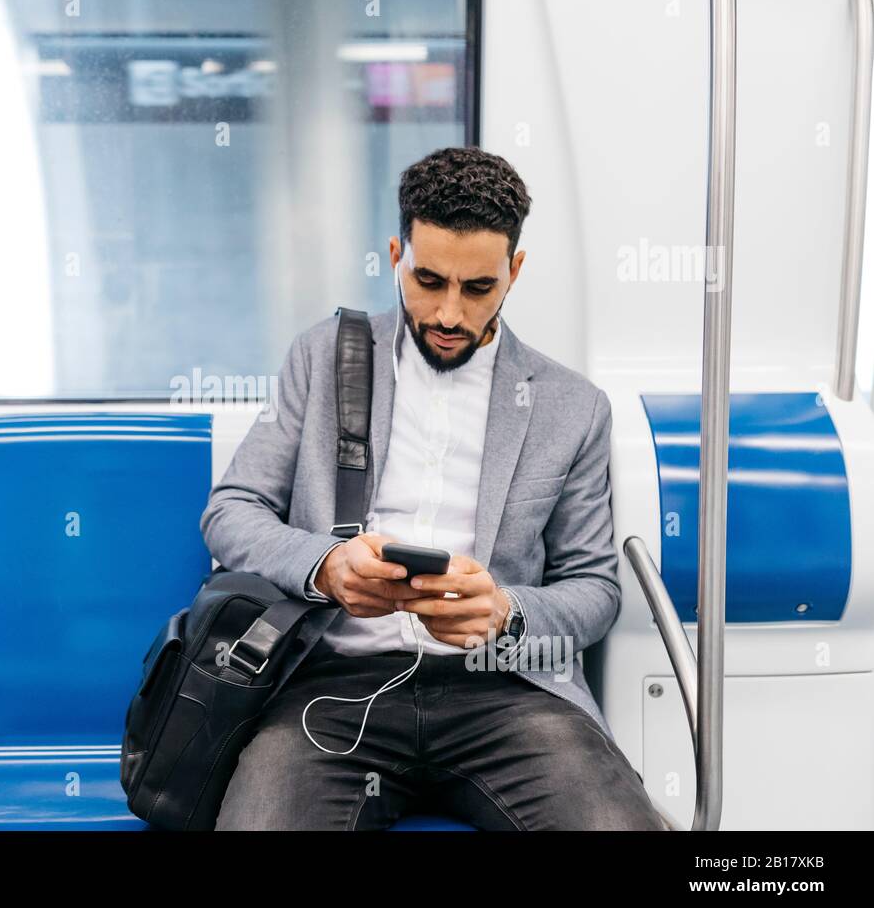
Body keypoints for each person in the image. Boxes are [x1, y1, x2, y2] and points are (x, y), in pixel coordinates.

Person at [202, 146, 666, 830]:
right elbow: (231, 513)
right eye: (427, 280)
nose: (449, 314)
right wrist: (325, 568)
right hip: (331, 689)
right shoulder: (325, 357)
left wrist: (505, 613)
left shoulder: (573, 407)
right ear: (396, 254)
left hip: (507, 691)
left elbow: (594, 589)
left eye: (478, 288)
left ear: (514, 271)